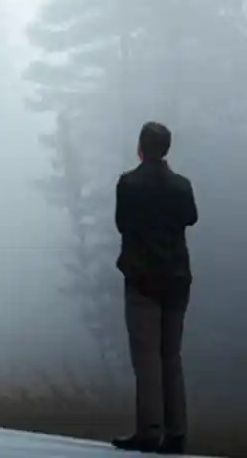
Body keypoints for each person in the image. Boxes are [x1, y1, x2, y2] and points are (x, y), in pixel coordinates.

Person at [111, 121, 197, 455]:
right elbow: (191, 217)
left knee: (146, 357)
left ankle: (150, 429)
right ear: (167, 149)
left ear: (140, 147)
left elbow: (122, 224)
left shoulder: (129, 184)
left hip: (142, 278)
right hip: (177, 277)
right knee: (171, 355)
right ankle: (177, 432)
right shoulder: (181, 186)